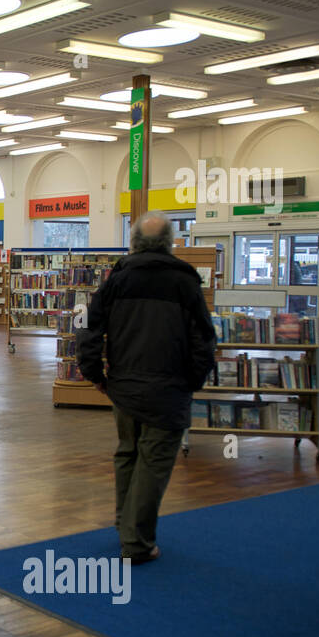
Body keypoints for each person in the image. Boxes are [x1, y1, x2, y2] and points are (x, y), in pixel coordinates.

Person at [77, 213, 216, 565]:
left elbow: (90, 329)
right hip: (169, 387)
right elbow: (203, 338)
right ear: (171, 241)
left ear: (134, 241)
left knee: (128, 453)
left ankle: (125, 525)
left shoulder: (117, 279)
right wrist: (195, 380)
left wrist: (94, 373)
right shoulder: (185, 282)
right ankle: (136, 542)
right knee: (154, 462)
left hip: (124, 384)